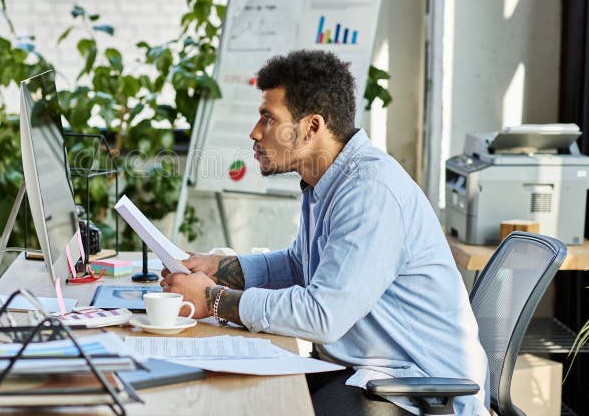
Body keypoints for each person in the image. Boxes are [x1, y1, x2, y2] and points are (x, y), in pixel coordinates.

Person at [161, 50, 489, 415]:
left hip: (415, 390)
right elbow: (299, 264)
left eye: (268, 119)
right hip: (367, 371)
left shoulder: (369, 192)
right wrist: (217, 268)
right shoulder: (324, 182)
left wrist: (215, 300)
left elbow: (322, 314)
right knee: (235, 392)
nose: (255, 133)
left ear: (312, 127)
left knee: (260, 404)